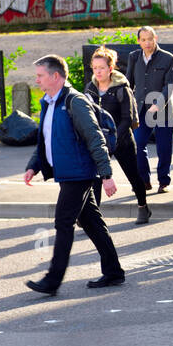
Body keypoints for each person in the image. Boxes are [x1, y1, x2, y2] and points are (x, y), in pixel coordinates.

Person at [23, 54, 124, 295]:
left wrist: (106, 174)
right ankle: (113, 271)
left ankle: (52, 280)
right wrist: (33, 165)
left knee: (63, 221)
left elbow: (94, 137)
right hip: (67, 172)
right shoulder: (48, 102)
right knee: (90, 220)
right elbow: (45, 141)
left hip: (79, 173)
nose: (37, 80)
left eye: (40, 75)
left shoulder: (74, 101)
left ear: (55, 76)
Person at [86, 48, 151, 225]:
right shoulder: (90, 89)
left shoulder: (122, 88)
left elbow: (127, 119)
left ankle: (143, 206)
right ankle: (93, 217)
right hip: (99, 142)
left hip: (122, 140)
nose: (98, 72)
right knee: (96, 179)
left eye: (102, 68)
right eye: (95, 68)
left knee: (134, 176)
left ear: (110, 68)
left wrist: (112, 140)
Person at [126, 25, 173, 194]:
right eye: (143, 40)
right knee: (138, 144)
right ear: (139, 41)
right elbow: (128, 84)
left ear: (156, 38)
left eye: (150, 39)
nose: (147, 43)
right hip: (140, 110)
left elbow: (169, 86)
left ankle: (164, 181)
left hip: (163, 110)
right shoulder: (133, 57)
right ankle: (144, 180)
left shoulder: (168, 58)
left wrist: (158, 103)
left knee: (163, 148)